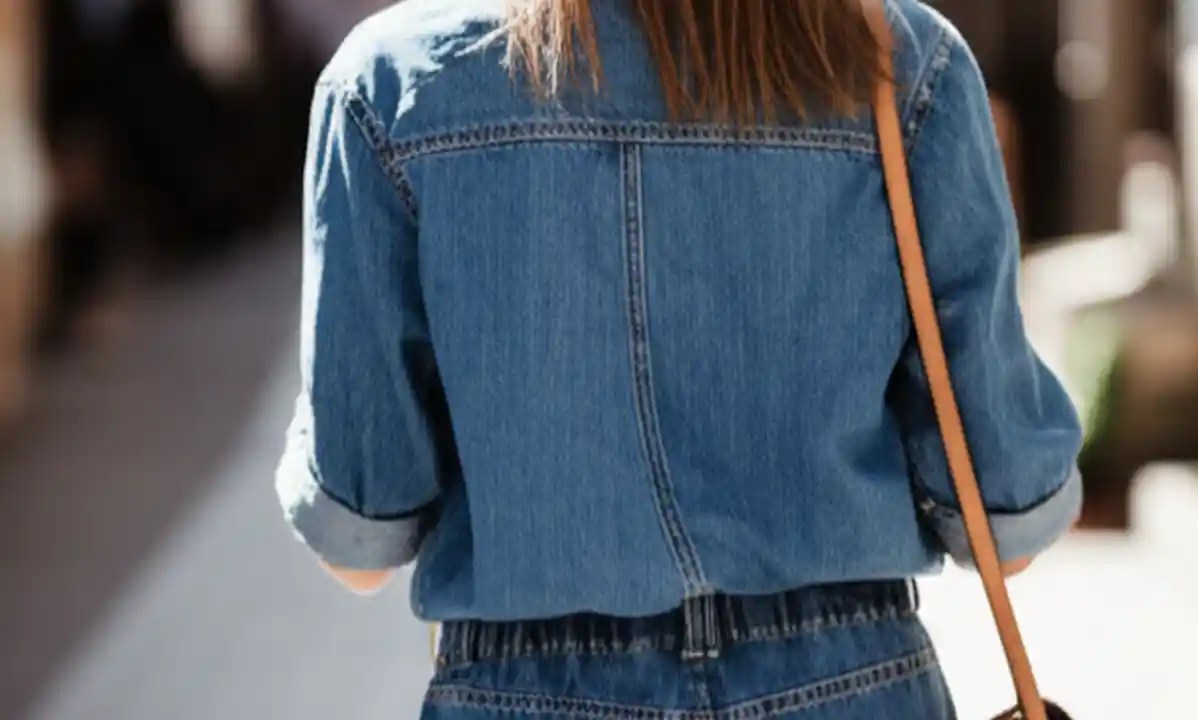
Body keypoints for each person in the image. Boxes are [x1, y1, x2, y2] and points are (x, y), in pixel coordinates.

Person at [275, 0, 1083, 717]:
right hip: (853, 681)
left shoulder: (391, 86)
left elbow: (360, 547)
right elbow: (1006, 526)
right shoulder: (903, 65)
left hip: (521, 686)